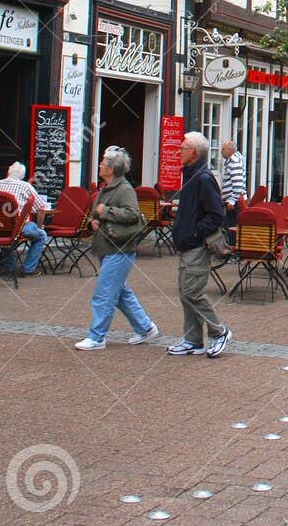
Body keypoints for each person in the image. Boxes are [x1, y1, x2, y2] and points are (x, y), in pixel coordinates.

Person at [74, 147, 158, 351]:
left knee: (104, 294)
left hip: (120, 248)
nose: (100, 165)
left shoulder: (125, 189)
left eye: (103, 163)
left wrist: (106, 211)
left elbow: (133, 214)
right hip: (106, 246)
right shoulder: (106, 188)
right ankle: (145, 328)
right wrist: (94, 221)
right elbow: (97, 213)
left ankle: (97, 337)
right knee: (120, 292)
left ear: (111, 169)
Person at [170, 131, 231, 357]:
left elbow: (216, 214)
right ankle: (192, 340)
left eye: (183, 148)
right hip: (187, 244)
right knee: (185, 293)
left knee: (192, 292)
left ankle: (219, 331)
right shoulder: (190, 175)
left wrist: (195, 233)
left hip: (196, 246)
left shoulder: (203, 178)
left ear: (194, 153)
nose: (179, 151)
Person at [0, 162, 49, 276]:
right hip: (19, 228)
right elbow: (41, 208)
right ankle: (29, 268)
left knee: (9, 235)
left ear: (8, 172)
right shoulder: (25, 186)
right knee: (41, 235)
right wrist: (39, 227)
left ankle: (9, 268)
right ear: (23, 176)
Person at [218, 139, 245, 226]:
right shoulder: (232, 161)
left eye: (223, 149)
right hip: (232, 200)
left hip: (234, 202)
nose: (221, 151)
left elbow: (238, 183)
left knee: (231, 227)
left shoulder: (234, 162)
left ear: (230, 150)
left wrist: (232, 200)